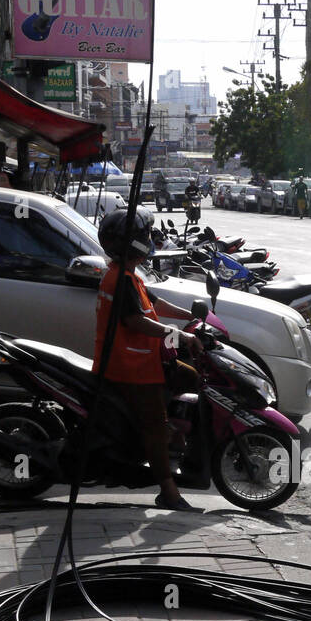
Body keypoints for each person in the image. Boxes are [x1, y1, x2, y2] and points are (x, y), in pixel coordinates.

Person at [94, 207, 201, 511]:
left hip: (143, 361)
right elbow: (136, 321)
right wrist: (178, 335)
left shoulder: (128, 276)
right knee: (155, 424)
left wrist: (189, 316)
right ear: (132, 243)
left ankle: (178, 436)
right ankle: (168, 491)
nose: (150, 238)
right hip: (129, 367)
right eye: (144, 235)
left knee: (191, 377)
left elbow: (154, 303)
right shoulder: (119, 279)